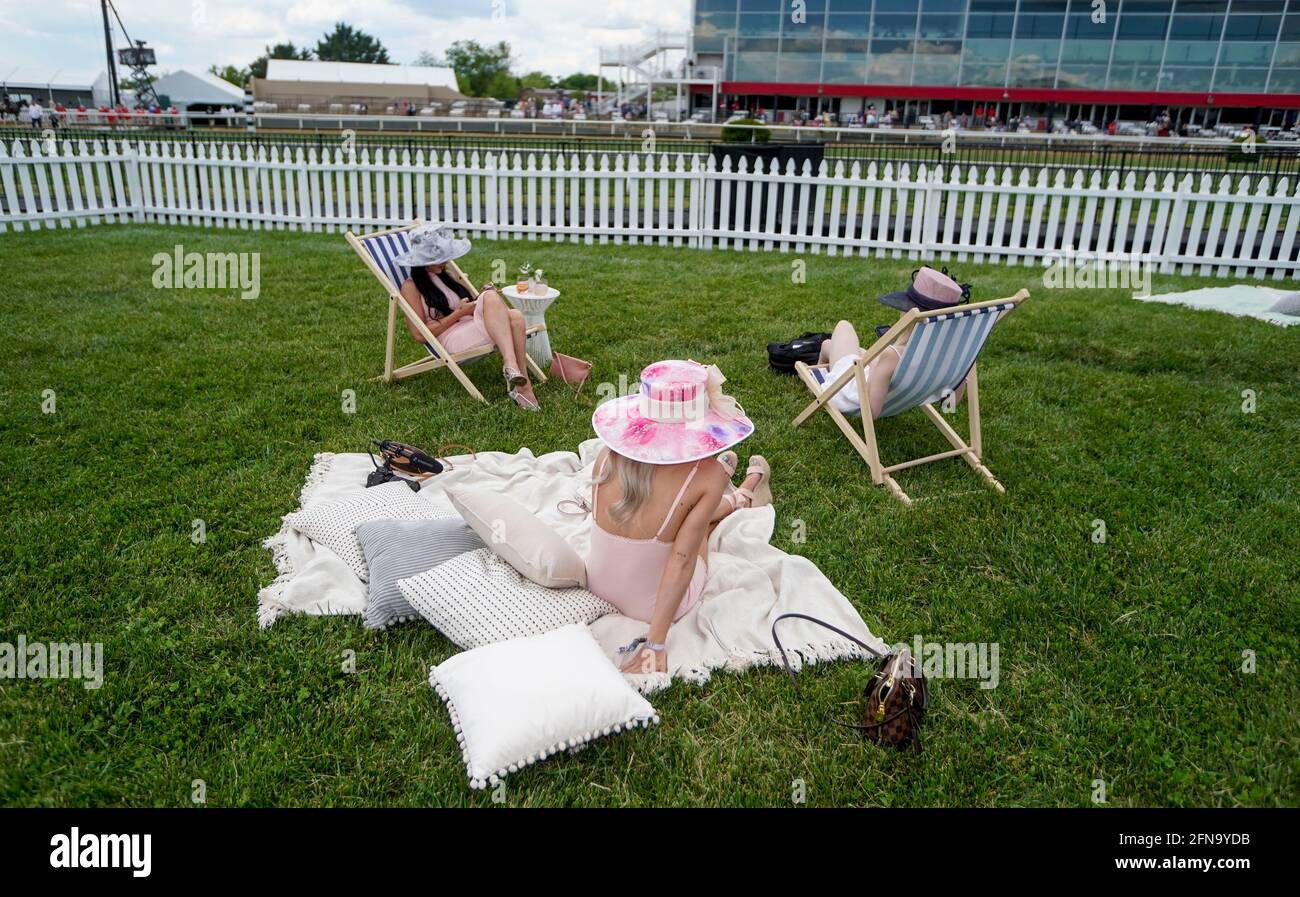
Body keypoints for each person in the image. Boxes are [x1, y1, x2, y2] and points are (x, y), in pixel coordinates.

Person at [584, 360, 771, 674]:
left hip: (598, 583)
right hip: (651, 605)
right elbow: (682, 560)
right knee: (694, 529)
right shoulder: (705, 475)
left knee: (687, 517)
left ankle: (733, 493)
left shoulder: (606, 456)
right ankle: (745, 493)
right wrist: (655, 644)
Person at [393, 223, 540, 410]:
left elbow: (465, 307)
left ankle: (521, 382)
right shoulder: (411, 286)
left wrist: (478, 300)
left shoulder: (445, 275)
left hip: (469, 326)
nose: (443, 262)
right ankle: (516, 373)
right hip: (450, 339)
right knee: (504, 309)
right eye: (437, 258)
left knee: (515, 315)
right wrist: (459, 313)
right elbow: (420, 335)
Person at [817, 267, 970, 418]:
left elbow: (871, 411)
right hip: (888, 385)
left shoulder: (892, 356)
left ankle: (815, 381)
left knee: (844, 326)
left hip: (850, 392)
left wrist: (879, 360)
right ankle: (828, 351)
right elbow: (951, 403)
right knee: (844, 348)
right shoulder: (957, 355)